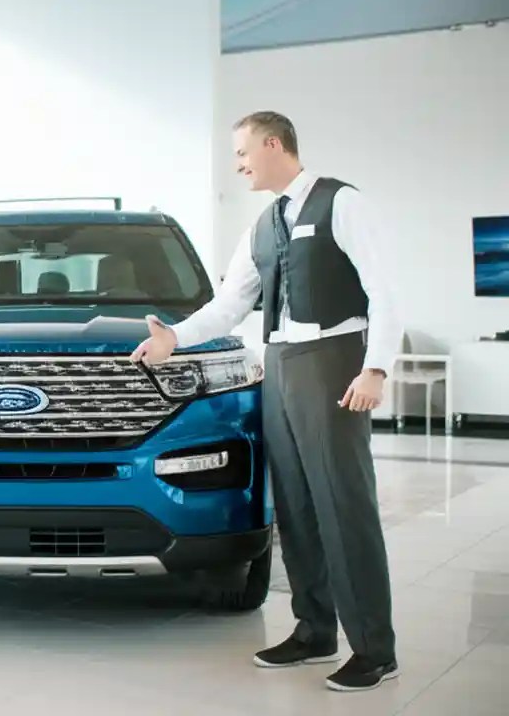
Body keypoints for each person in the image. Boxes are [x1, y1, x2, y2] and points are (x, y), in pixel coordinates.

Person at [131, 111, 403, 693]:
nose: (238, 163)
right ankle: (314, 630)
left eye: (243, 151)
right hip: (278, 367)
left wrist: (375, 367)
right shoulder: (261, 225)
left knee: (342, 504)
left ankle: (375, 649)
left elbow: (384, 290)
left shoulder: (341, 203)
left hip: (335, 360)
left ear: (274, 143)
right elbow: (231, 303)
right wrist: (174, 337)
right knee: (297, 508)